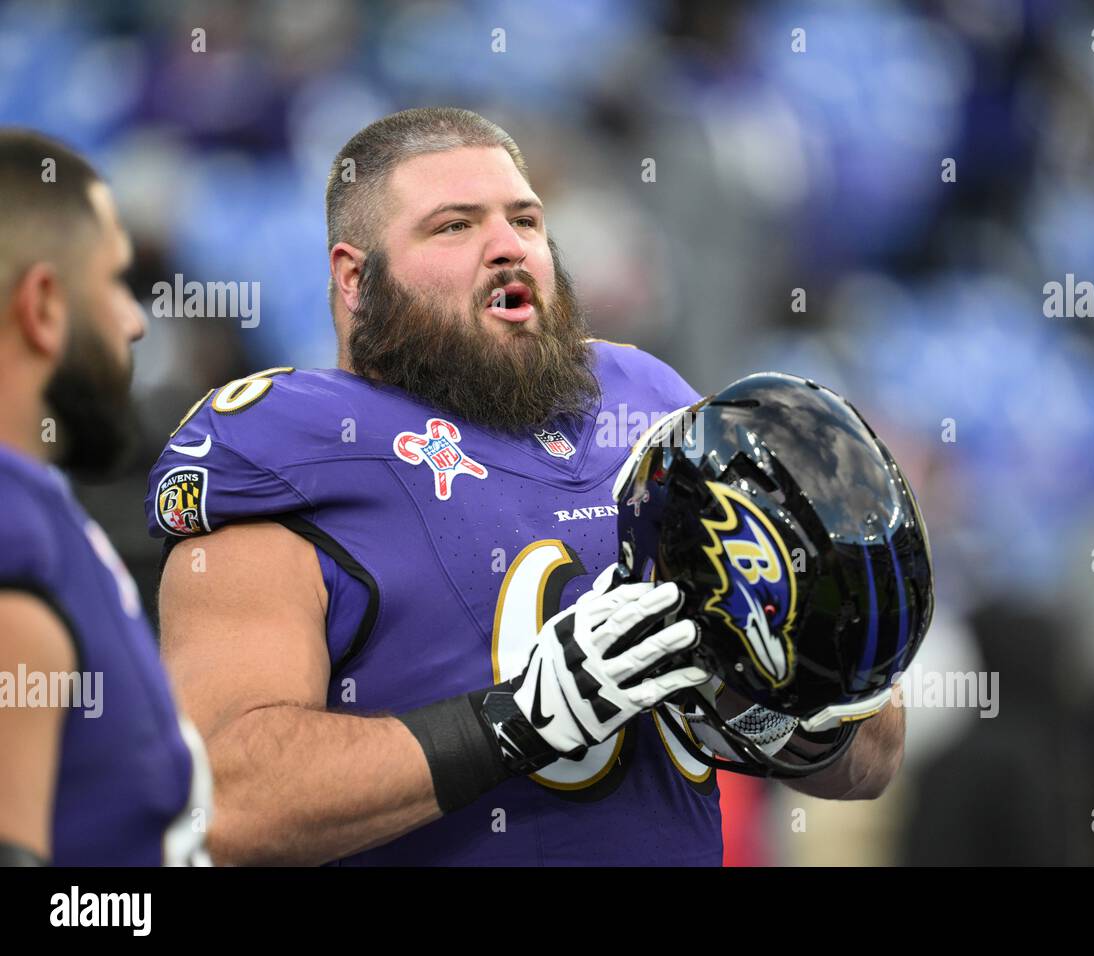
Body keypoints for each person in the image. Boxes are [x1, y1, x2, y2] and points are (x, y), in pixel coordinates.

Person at [148, 107, 903, 866]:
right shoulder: (287, 443)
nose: (508, 247)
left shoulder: (645, 402)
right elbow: (220, 804)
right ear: (355, 277)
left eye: (526, 219)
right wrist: (519, 721)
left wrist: (765, 713)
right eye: (453, 226)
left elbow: (873, 757)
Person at [0, 130, 209, 866]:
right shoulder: (16, 547)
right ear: (45, 306)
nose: (134, 319)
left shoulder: (38, 508)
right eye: (115, 281)